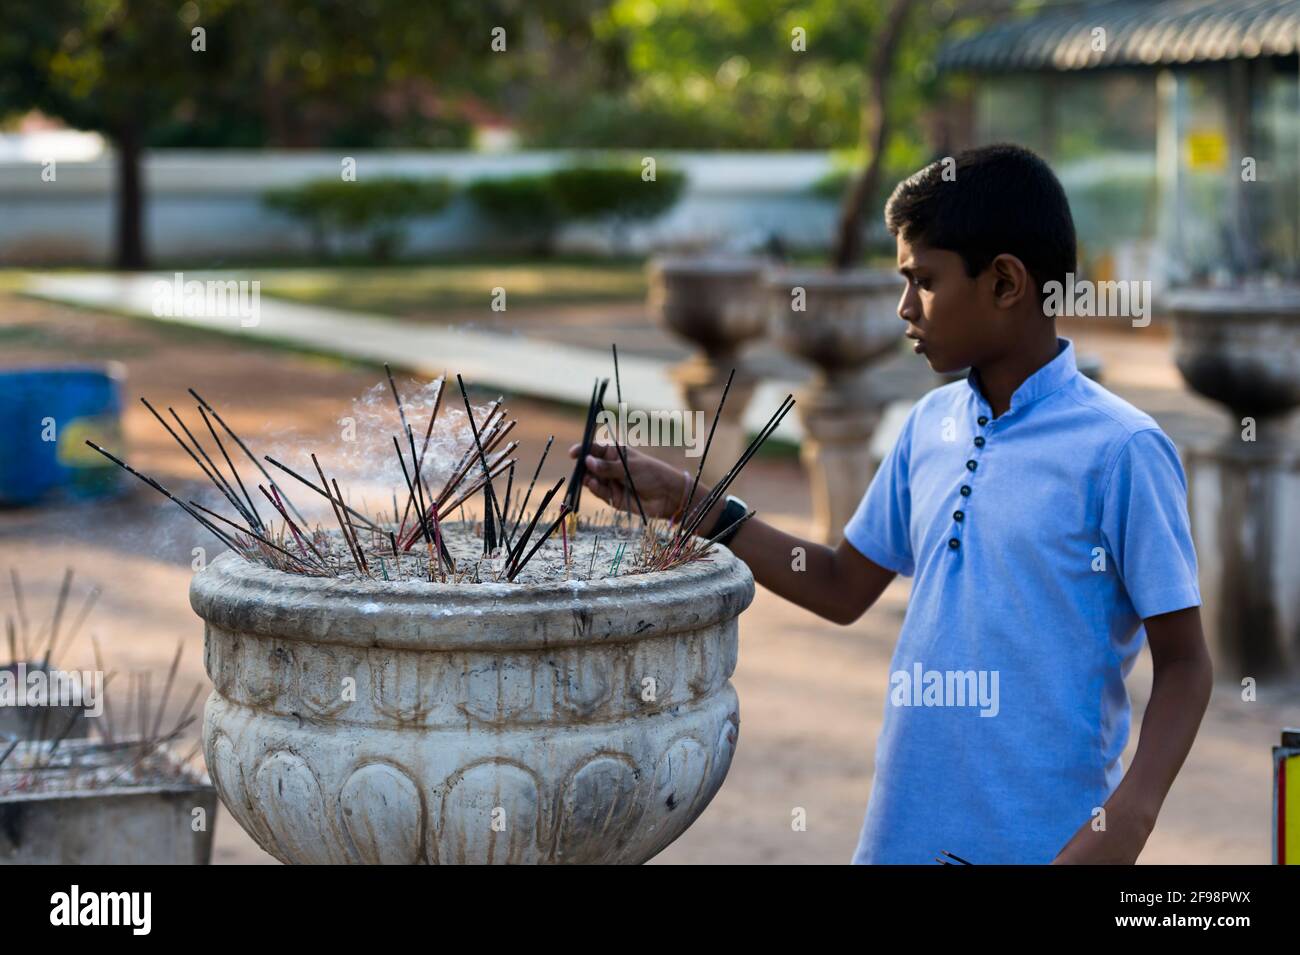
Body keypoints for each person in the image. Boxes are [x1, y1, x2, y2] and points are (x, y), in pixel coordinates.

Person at [572, 144, 1212, 864]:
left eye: (924, 281)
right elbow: (842, 585)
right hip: (902, 835)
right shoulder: (928, 426)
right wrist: (689, 502)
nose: (905, 307)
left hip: (1048, 843)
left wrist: (1127, 820)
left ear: (1005, 282)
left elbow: (1186, 665)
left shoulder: (1122, 449)